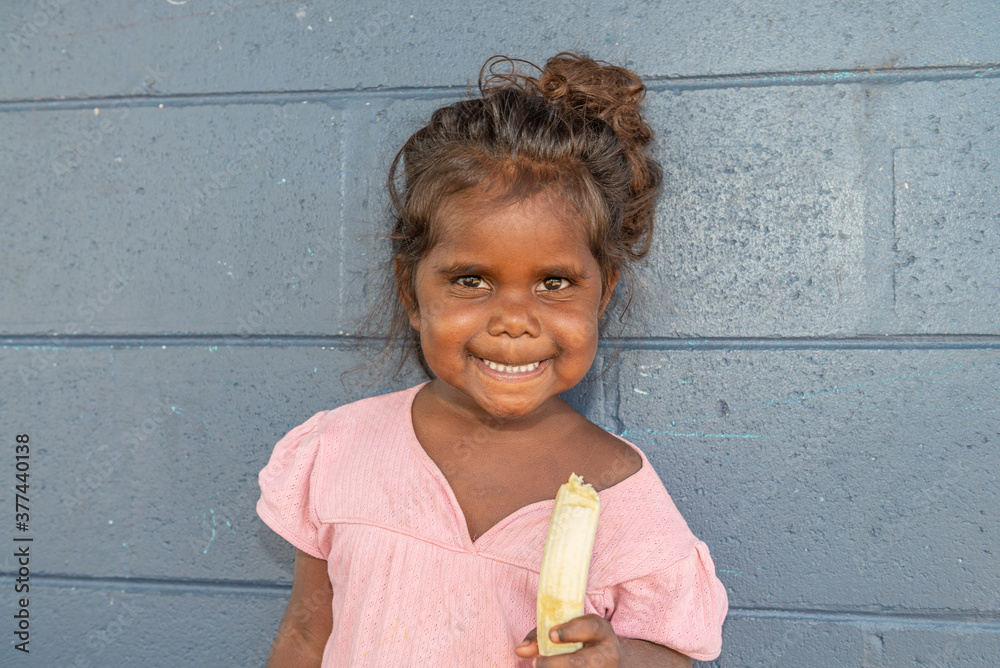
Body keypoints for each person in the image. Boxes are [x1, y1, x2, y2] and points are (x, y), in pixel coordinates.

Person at [257, 52, 727, 667]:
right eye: (472, 280)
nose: (512, 319)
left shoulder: (622, 495)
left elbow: (674, 655)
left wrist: (618, 659)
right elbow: (304, 636)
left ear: (603, 293)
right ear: (412, 293)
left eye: (555, 284)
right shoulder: (338, 451)